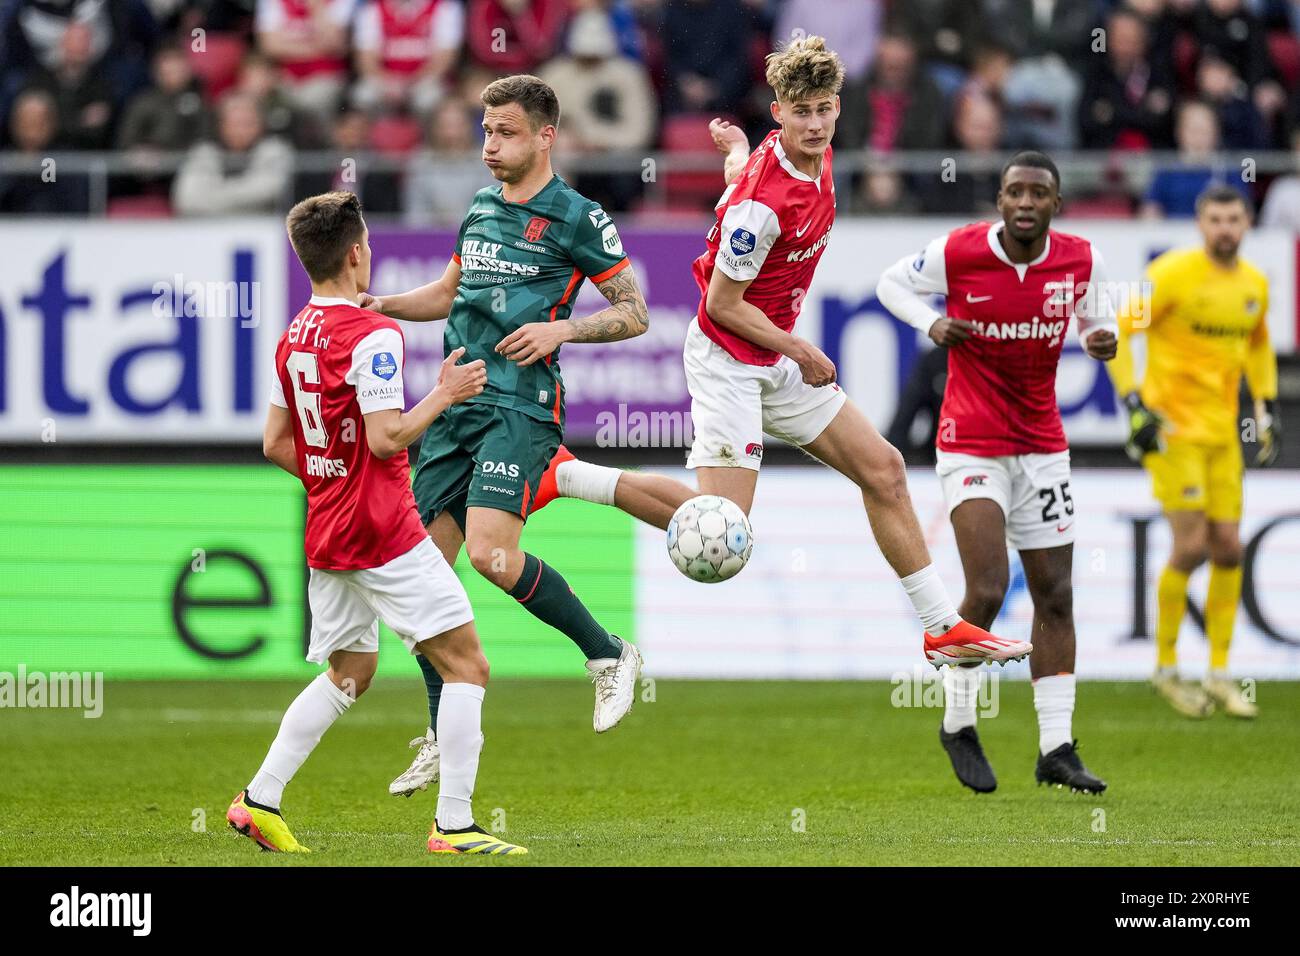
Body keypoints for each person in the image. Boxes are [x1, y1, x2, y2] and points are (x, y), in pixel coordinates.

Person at [385, 38, 1033, 800]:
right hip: (732, 357)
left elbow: (737, 202)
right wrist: (798, 342)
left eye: (828, 111)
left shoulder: (790, 159)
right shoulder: (764, 196)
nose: (819, 125)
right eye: (804, 113)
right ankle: (562, 495)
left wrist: (730, 161)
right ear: (781, 114)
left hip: (763, 359)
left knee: (885, 468)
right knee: (722, 534)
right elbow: (723, 300)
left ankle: (939, 627)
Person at [362, 74, 650, 772]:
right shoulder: (482, 205)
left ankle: (608, 653)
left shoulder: (578, 217)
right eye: (486, 129)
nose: (489, 144)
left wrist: (563, 335)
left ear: (546, 135)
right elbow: (446, 292)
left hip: (519, 406)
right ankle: (439, 734)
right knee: (420, 579)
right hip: (452, 405)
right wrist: (381, 305)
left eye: (506, 131)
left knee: (491, 556)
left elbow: (635, 312)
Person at [227, 190, 527, 855]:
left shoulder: (294, 335)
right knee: (468, 667)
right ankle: (454, 825)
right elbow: (390, 439)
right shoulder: (373, 333)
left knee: (351, 671)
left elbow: (275, 443)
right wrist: (444, 394)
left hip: (327, 531)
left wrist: (333, 477)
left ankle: (259, 799)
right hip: (384, 531)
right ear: (358, 253)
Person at [877, 151, 1117, 795]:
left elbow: (1102, 319)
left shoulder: (1079, 259)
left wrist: (1102, 337)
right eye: (1015, 191)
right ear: (1001, 200)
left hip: (1042, 444)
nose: (1025, 202)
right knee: (986, 585)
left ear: (1055, 204)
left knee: (1056, 595)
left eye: (1039, 192)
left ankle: (1056, 749)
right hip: (970, 440)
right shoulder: (959, 252)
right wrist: (931, 321)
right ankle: (958, 723)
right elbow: (889, 284)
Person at [1109, 184, 1280, 719]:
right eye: (1215, 219)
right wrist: (1134, 403)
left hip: (1223, 434)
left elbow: (1257, 344)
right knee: (1193, 546)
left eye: (1233, 219)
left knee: (1229, 548)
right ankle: (1165, 666)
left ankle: (1220, 672)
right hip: (1173, 431)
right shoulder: (1171, 275)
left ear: (1247, 224)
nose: (1224, 228)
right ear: (1201, 224)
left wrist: (1265, 406)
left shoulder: (1254, 285)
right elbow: (1120, 329)